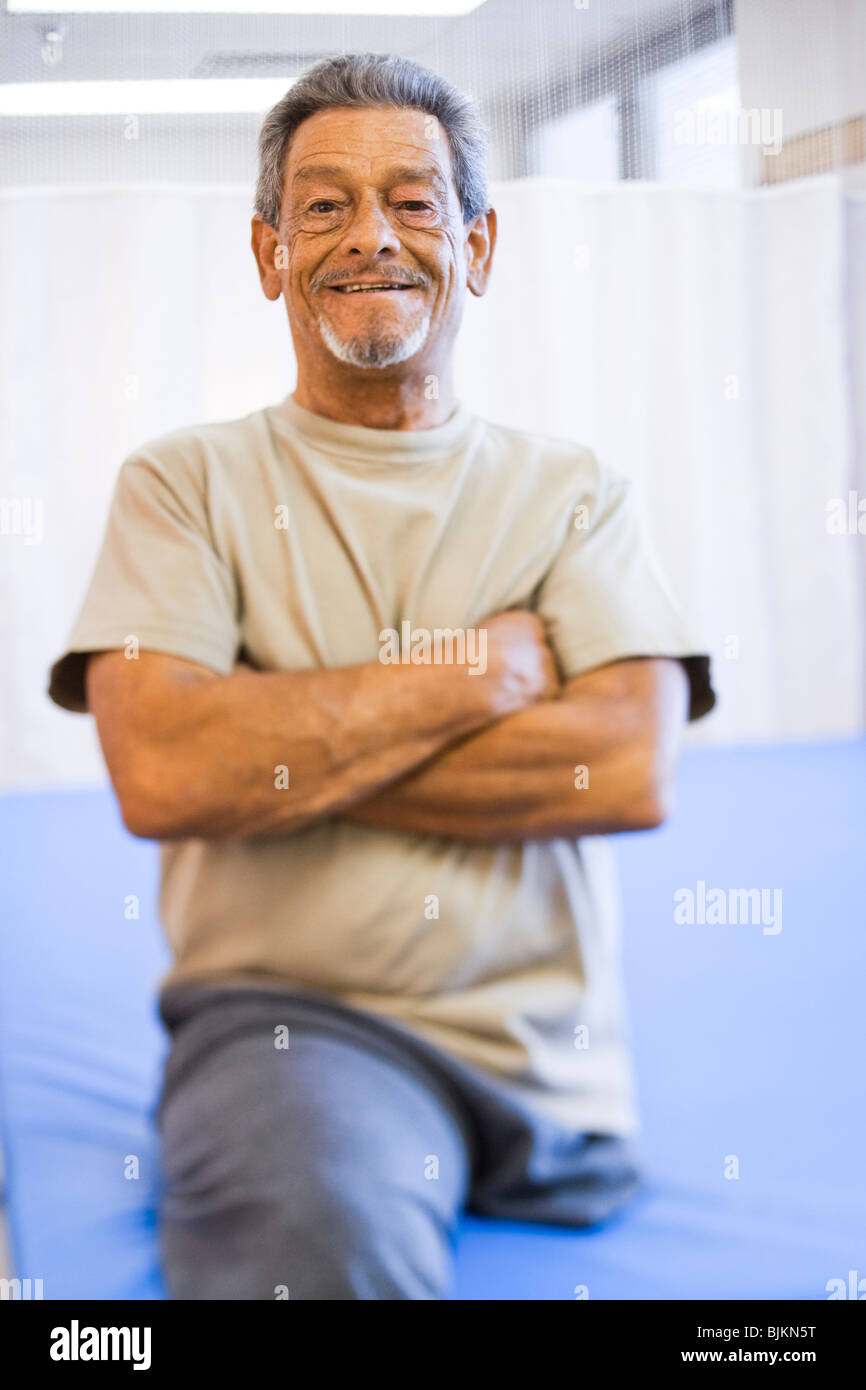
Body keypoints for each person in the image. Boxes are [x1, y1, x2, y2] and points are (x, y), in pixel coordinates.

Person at [47, 52, 716, 1301]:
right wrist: (476, 681)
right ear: (266, 255)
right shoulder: (182, 486)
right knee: (325, 1244)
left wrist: (278, 746)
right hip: (294, 1030)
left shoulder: (572, 494)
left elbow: (623, 765)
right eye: (322, 206)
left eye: (413, 202)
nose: (372, 237)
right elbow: (164, 772)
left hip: (550, 1079)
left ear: (477, 244)